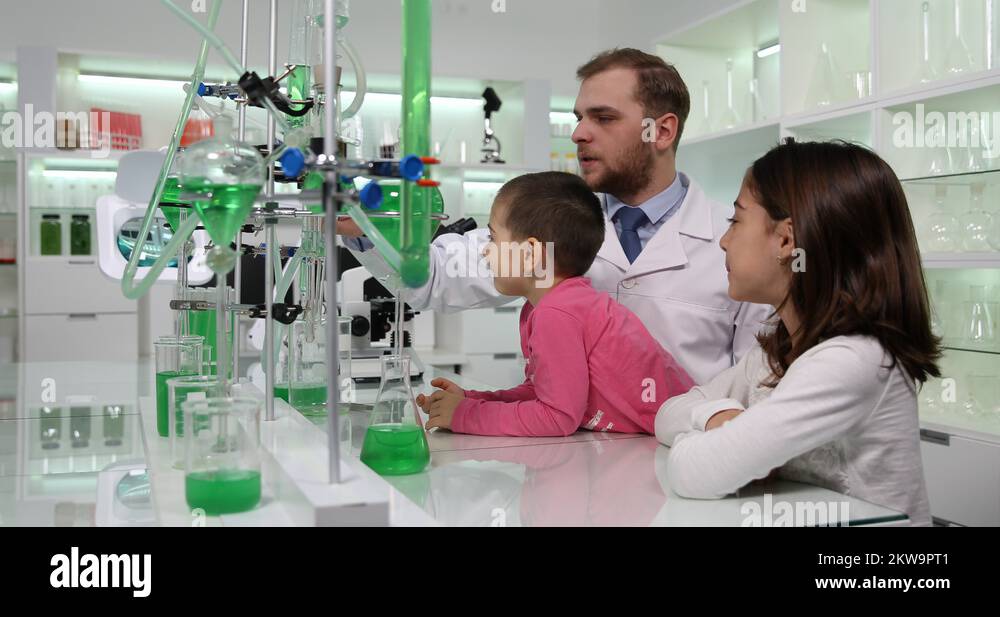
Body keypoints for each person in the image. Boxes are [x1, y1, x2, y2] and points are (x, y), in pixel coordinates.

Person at [340, 48, 770, 385]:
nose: (580, 133)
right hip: (569, 469)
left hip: (683, 474)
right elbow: (433, 277)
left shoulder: (735, 242)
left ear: (661, 130)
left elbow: (752, 388)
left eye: (603, 118)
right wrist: (366, 229)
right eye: (579, 117)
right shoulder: (552, 223)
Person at [654, 140, 940, 526]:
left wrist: (721, 441)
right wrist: (719, 417)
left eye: (736, 221)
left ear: (786, 241)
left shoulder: (853, 361)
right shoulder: (779, 349)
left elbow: (692, 472)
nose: (723, 240)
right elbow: (668, 414)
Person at [414, 171, 694, 437]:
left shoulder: (557, 314)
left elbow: (557, 417)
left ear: (531, 253)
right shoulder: (551, 306)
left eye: (493, 238)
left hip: (682, 435)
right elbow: (543, 393)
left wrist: (466, 415)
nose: (485, 250)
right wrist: (474, 400)